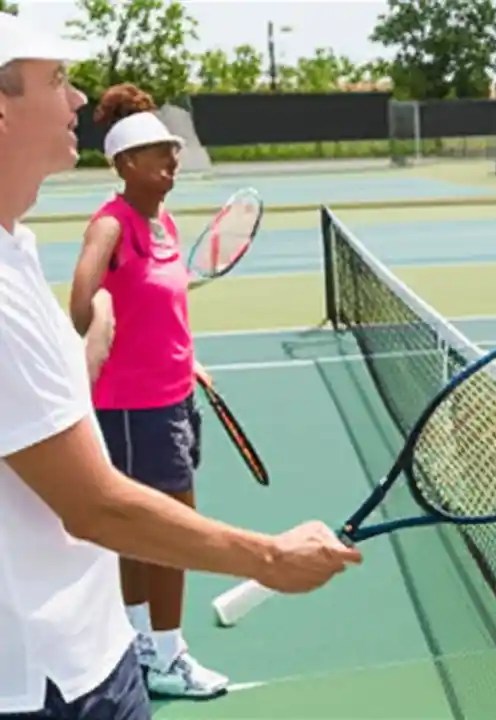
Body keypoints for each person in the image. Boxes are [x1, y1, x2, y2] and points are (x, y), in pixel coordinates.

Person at [0, 13, 361, 719]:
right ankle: (163, 645)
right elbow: (95, 505)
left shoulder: (18, 250)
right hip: (54, 681)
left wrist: (96, 341)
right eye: (58, 81)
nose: (79, 101)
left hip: (84, 653)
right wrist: (268, 558)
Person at [66, 83, 220, 698]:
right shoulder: (111, 225)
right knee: (169, 528)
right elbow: (81, 303)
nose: (172, 161)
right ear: (126, 163)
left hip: (172, 394)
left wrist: (190, 361)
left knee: (143, 526)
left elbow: (162, 308)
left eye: (174, 151)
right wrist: (99, 317)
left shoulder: (164, 223)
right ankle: (167, 653)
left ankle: (138, 642)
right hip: (133, 406)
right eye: (159, 152)